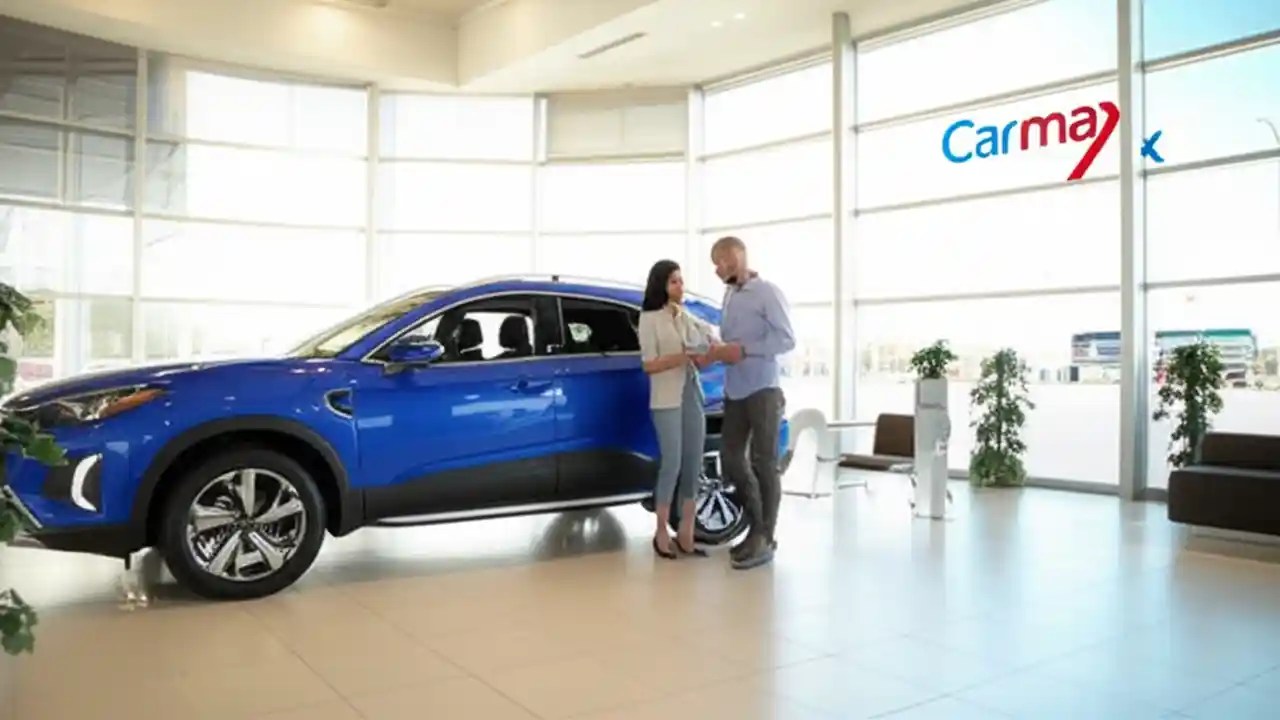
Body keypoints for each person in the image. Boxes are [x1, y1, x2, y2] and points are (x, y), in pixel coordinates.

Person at [705, 235, 795, 570]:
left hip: (763, 390)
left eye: (725, 261)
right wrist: (718, 349)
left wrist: (743, 349)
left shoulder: (767, 292)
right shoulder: (728, 294)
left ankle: (764, 537)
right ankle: (756, 528)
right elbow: (730, 342)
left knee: (764, 463)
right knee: (731, 460)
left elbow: (786, 339)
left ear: (741, 257)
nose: (720, 269)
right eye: (715, 264)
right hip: (735, 389)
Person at [638, 260, 715, 559]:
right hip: (666, 399)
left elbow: (704, 341)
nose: (680, 287)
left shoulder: (684, 315)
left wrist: (704, 351)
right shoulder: (649, 319)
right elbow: (649, 364)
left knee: (694, 462)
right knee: (672, 462)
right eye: (674, 282)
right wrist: (682, 357)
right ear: (661, 285)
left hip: (691, 394)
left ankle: (687, 530)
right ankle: (660, 531)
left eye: (682, 281)